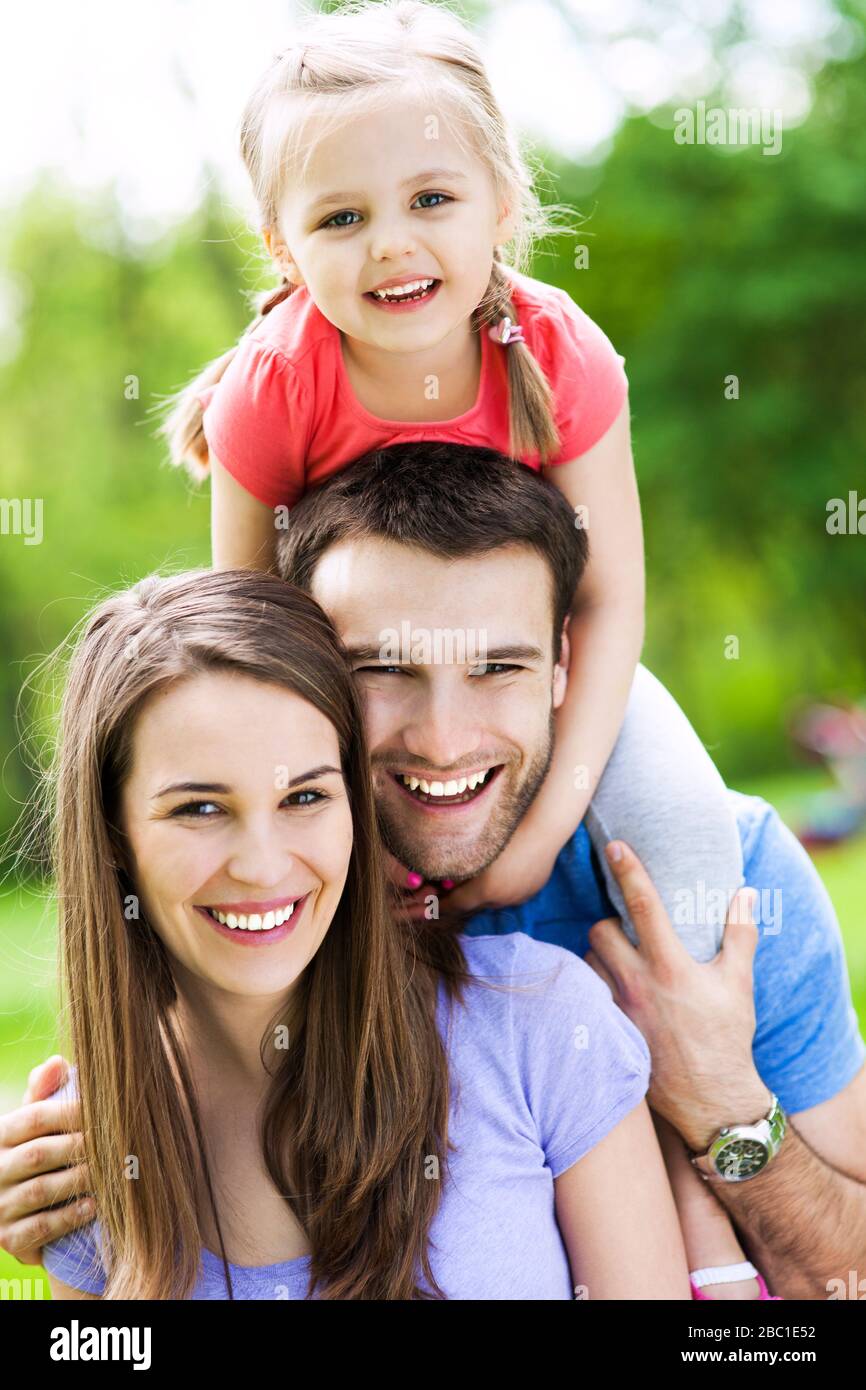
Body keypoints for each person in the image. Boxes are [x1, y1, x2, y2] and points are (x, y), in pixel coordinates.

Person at [4, 445, 864, 1296]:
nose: (444, 740)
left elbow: (848, 1273)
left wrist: (723, 1107)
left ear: (564, 666)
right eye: (382, 668)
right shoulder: (253, 898)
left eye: (498, 668)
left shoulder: (719, 889)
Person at [158, 0, 742, 963]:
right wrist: (335, 806)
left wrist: (542, 835)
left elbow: (607, 603)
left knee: (685, 828)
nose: (391, 242)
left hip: (533, 672)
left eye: (432, 200)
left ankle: (689, 1057)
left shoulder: (560, 357)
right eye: (342, 217)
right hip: (356, 692)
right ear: (281, 245)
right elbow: (258, 639)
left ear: (502, 203)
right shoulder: (270, 392)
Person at [12, 567, 692, 1300]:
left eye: (304, 796)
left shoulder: (537, 1027)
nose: (263, 866)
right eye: (200, 809)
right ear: (113, 835)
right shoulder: (81, 1154)